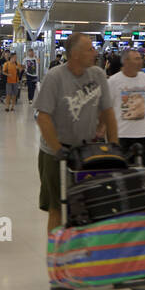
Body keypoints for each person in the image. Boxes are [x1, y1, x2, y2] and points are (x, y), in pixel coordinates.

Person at [34, 33, 116, 234]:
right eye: (90, 49)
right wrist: (58, 149)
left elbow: (108, 112)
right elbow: (42, 116)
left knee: (85, 208)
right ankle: (56, 257)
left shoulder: (97, 75)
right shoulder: (55, 77)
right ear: (75, 54)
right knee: (57, 209)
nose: (95, 53)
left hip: (85, 152)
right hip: (55, 154)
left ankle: (80, 255)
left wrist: (114, 146)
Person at [109, 49, 145, 159]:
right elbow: (107, 109)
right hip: (121, 135)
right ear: (126, 61)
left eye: (140, 58)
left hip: (142, 134)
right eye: (137, 59)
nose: (140, 61)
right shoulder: (113, 81)